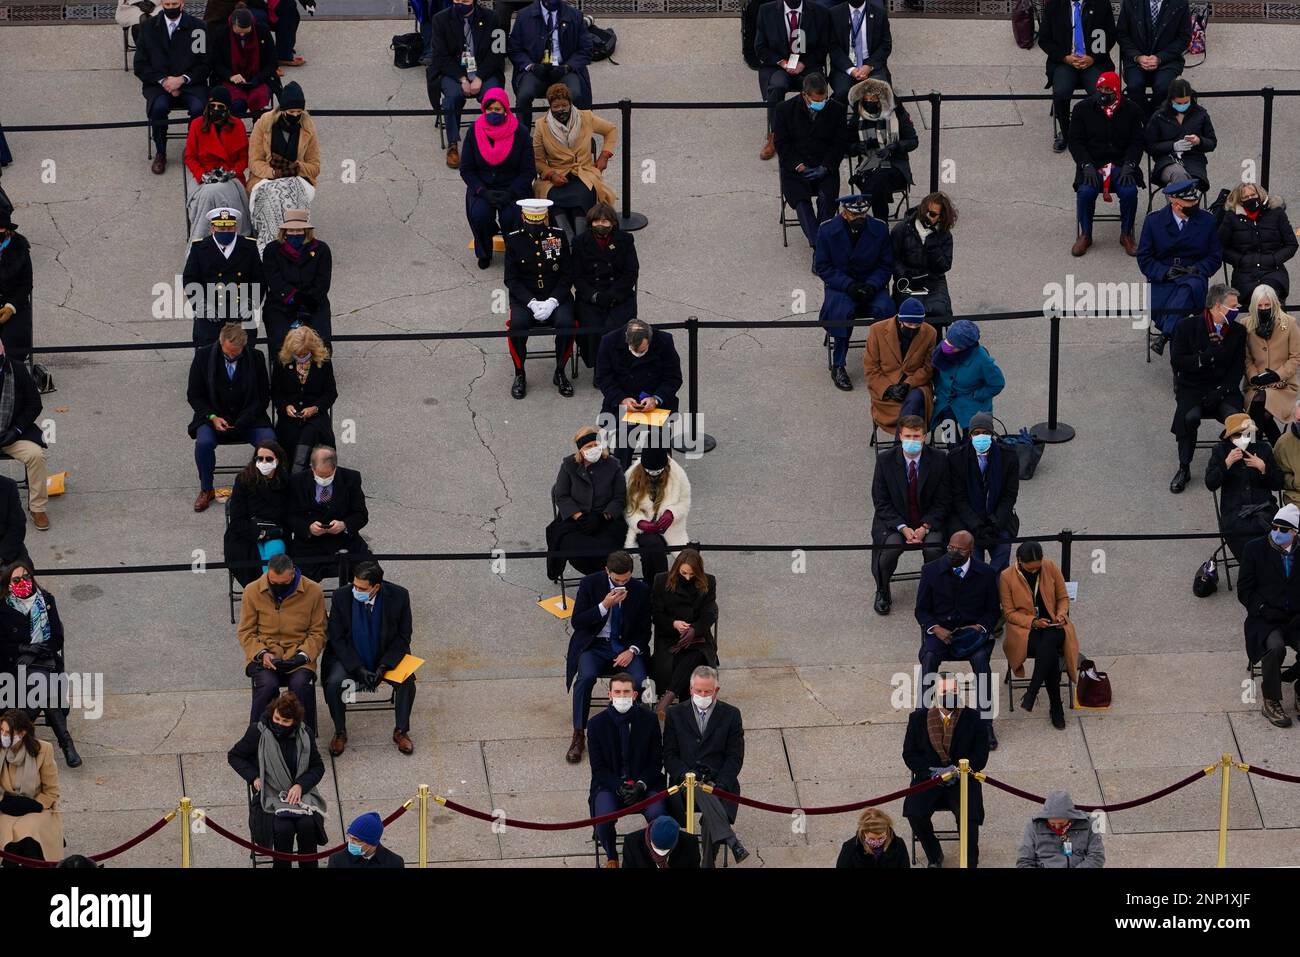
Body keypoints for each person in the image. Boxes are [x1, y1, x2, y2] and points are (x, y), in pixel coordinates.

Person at [915, 530, 1002, 748]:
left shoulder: (986, 573)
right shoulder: (931, 571)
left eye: (959, 549)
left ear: (970, 551)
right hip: (941, 632)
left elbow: (993, 611)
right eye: (950, 547)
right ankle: (921, 720)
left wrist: (980, 627)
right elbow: (921, 610)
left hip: (971, 635)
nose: (953, 552)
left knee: (982, 663)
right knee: (929, 659)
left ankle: (985, 724)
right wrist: (935, 628)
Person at [563, 551, 651, 763]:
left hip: (624, 646)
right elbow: (578, 622)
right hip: (594, 645)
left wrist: (631, 650)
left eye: (626, 579)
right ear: (607, 571)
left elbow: (644, 630)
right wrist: (604, 606)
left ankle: (626, 728)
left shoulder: (640, 590)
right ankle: (578, 733)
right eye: (617, 580)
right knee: (585, 679)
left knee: (638, 681)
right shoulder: (590, 584)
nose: (622, 584)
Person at [323, 561, 416, 757]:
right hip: (351, 656)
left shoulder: (399, 596)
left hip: (385, 655)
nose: (356, 590)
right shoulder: (342, 597)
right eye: (355, 585)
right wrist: (357, 668)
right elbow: (337, 638)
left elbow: (403, 636)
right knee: (333, 683)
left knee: (407, 681)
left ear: (376, 587)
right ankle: (340, 731)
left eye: (362, 588)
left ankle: (401, 731)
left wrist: (384, 666)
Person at [227, 690, 327, 868]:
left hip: (301, 796)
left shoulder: (305, 734)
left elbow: (317, 766)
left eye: (285, 721)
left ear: (294, 722)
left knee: (307, 825)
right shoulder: (257, 732)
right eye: (277, 718)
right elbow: (235, 756)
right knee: (284, 828)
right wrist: (254, 777)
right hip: (269, 796)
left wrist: (300, 786)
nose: (279, 724)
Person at [662, 666, 749, 866]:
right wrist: (685, 774)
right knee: (700, 789)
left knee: (711, 810)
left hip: (720, 785)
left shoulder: (731, 715)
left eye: (707, 691)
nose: (703, 695)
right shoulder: (675, 714)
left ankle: (707, 863)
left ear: (716, 691)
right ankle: (730, 841)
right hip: (684, 785)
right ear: (691, 690)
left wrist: (720, 784)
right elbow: (669, 755)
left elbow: (735, 757)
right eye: (699, 691)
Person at [902, 671, 988, 867]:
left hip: (962, 778)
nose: (951, 693)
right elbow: (910, 754)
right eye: (945, 690)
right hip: (929, 779)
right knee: (914, 812)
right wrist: (931, 772)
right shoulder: (917, 719)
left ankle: (969, 862)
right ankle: (934, 855)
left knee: (969, 816)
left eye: (954, 689)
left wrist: (957, 771)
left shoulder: (974, 719)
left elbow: (980, 756)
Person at [186, 323, 275, 512]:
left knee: (269, 443)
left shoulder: (256, 357)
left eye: (237, 353)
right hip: (213, 418)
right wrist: (212, 417)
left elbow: (263, 396)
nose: (232, 356)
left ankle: (265, 489)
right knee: (203, 443)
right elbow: (194, 395)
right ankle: (206, 489)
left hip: (249, 419)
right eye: (228, 352)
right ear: (221, 342)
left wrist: (247, 417)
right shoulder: (203, 356)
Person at [0, 561, 79, 767]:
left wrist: (37, 651)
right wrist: (23, 650)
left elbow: (57, 638)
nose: (23, 582)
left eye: (26, 577)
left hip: (45, 664)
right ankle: (66, 745)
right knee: (44, 690)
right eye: (16, 579)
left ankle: (18, 741)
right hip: (12, 670)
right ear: (8, 584)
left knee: (41, 686)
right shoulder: (2, 608)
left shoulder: (46, 601)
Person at [1168, 284, 1246, 493]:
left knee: (1240, 421)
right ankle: (1184, 467)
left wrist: (1221, 391)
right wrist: (1204, 358)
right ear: (1217, 306)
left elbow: (1237, 369)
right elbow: (1177, 362)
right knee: (1189, 419)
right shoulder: (1187, 327)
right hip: (1192, 388)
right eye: (1233, 305)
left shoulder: (1238, 331)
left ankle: (1236, 462)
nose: (1237, 309)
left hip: (1222, 390)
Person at [815, 194, 895, 391]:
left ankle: (886, 361)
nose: (859, 218)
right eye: (853, 214)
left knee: (886, 310)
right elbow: (823, 267)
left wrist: (873, 285)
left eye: (863, 214)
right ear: (844, 212)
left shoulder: (879, 228)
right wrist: (848, 285)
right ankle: (838, 365)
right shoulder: (827, 230)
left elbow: (886, 264)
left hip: (870, 284)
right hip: (842, 286)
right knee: (842, 314)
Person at [586, 671, 667, 867]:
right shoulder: (595, 725)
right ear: (610, 695)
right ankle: (612, 856)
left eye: (626, 692)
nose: (622, 696)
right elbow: (598, 768)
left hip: (644, 784)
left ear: (634, 695)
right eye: (617, 692)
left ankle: (654, 855)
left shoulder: (649, 720)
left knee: (658, 816)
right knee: (603, 820)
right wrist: (619, 786)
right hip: (610, 785)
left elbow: (656, 761)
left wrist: (640, 785)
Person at [871, 414, 949, 615]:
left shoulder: (939, 460)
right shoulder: (885, 461)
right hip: (895, 521)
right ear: (900, 436)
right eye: (908, 436)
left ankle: (931, 591)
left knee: (934, 550)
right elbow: (881, 502)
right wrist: (903, 528)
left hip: (928, 520)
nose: (912, 441)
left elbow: (944, 500)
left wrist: (924, 528)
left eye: (916, 436)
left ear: (924, 437)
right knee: (890, 550)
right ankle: (882, 589)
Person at [238, 554, 325, 732]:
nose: (277, 587)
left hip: (299, 654)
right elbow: (246, 631)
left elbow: (319, 631)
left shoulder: (313, 591)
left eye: (283, 583)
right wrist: (262, 653)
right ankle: (258, 734)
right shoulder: (252, 590)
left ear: (293, 574)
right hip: (264, 655)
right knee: (267, 685)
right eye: (273, 582)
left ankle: (304, 735)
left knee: (300, 685)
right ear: (267, 574)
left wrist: (302, 656)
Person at [1000, 541, 1079, 730]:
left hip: (1053, 624)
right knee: (1049, 653)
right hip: (1026, 629)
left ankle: (1032, 692)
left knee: (1049, 644)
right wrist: (1032, 622)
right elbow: (1009, 613)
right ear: (1020, 561)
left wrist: (1061, 614)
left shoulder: (1050, 567)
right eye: (1031, 568)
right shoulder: (1007, 576)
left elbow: (1062, 597)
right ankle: (1055, 706)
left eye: (1038, 567)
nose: (1035, 571)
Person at [504, 198, 577, 400]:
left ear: (545, 217)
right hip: (526, 299)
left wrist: (553, 300)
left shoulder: (558, 236)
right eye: (531, 220)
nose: (535, 225)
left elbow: (567, 273)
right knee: (517, 325)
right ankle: (520, 373)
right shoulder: (514, 239)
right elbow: (511, 278)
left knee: (567, 323)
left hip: (556, 295)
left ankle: (560, 371)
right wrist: (531, 302)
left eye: (539, 220)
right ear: (523, 217)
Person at [1068, 71, 1144, 258]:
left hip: (1120, 164)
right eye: (1100, 88)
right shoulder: (1082, 109)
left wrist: (1130, 164)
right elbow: (1075, 142)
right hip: (1092, 165)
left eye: (1107, 89)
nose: (1102, 92)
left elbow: (1137, 142)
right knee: (1085, 192)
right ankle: (1085, 234)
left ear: (1116, 90)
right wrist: (1085, 165)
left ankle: (1126, 234)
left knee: (1129, 192)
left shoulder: (1132, 110)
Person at [1139, 180, 1223, 348]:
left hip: (1194, 275)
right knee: (1172, 309)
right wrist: (1164, 272)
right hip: (1164, 278)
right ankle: (1173, 335)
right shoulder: (1154, 221)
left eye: (1195, 201)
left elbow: (1215, 256)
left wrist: (1198, 269)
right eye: (1189, 202)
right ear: (1175, 203)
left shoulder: (1206, 220)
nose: (1194, 205)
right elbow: (1144, 257)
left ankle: (1166, 335)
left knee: (1188, 288)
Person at [1238, 503, 1300, 727]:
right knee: (1275, 648)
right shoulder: (1254, 549)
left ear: (1295, 532)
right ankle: (1271, 700)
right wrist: (1263, 608)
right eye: (1275, 527)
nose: (1278, 533)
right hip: (1265, 618)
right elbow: (1245, 589)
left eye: (1284, 530)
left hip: (1295, 618)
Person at [460, 88, 536, 269]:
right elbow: (467, 169)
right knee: (480, 215)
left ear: (506, 110)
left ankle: (514, 254)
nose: (493, 113)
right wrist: (482, 191)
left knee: (513, 216)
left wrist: (511, 192)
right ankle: (484, 252)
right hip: (484, 187)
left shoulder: (521, 132)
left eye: (498, 109)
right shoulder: (474, 131)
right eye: (489, 109)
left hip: (512, 187)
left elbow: (528, 171)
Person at [133, 0, 210, 175]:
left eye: (174, 3)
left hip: (191, 84)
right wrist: (165, 81)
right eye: (167, 4)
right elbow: (140, 65)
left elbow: (204, 64)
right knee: (158, 108)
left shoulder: (198, 28)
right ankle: (161, 152)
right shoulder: (148, 28)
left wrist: (182, 79)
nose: (170, 7)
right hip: (159, 85)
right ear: (162, 4)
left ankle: (193, 150)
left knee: (199, 109)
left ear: (182, 3)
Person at [427, 0, 507, 169]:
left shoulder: (493, 18)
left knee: (494, 96)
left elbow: (498, 53)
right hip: (453, 72)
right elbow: (440, 57)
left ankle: (494, 139)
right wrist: (462, 78)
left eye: (465, 0)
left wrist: (479, 77)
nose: (461, 3)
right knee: (452, 98)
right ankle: (453, 144)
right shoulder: (440, 20)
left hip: (484, 71)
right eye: (457, 0)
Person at [532, 84, 616, 240]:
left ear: (570, 103)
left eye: (564, 105)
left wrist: (604, 155)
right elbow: (538, 160)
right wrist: (551, 174)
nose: (561, 109)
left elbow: (610, 130)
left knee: (582, 199)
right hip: (556, 177)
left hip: (584, 172)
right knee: (553, 202)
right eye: (556, 106)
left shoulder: (586, 117)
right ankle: (567, 241)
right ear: (550, 106)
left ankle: (581, 240)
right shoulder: (541, 126)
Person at [595, 320, 683, 467]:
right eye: (633, 350)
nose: (637, 354)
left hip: (655, 404)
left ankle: (657, 474)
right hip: (623, 402)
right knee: (625, 433)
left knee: (658, 436)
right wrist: (622, 399)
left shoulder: (664, 341)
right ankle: (620, 476)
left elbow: (673, 378)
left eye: (642, 351)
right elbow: (603, 378)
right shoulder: (609, 341)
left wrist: (656, 399)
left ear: (649, 340)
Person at [774, 72, 847, 249]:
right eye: (817, 99)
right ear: (804, 95)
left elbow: (839, 143)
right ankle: (819, 245)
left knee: (826, 198)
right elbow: (782, 144)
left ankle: (819, 245)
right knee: (801, 200)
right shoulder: (785, 110)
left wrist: (826, 166)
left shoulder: (836, 109)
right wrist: (798, 165)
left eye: (824, 99)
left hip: (824, 167)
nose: (821, 103)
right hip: (796, 169)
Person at [545, 426, 627, 581]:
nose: (594, 449)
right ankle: (597, 579)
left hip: (606, 520)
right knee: (573, 547)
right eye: (589, 446)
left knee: (607, 548)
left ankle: (604, 577)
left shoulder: (613, 464)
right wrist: (579, 516)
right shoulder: (569, 465)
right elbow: (561, 496)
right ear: (580, 450)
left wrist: (603, 516)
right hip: (575, 520)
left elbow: (619, 497)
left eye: (596, 445)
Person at [753, 0, 832, 160]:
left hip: (807, 65)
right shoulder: (766, 11)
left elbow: (824, 46)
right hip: (778, 66)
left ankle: (817, 134)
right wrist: (782, 62)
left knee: (815, 86)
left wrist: (804, 63)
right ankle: (774, 135)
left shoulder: (819, 12)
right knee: (777, 85)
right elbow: (760, 47)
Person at [247, 84, 319, 251]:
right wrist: (274, 172)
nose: (295, 116)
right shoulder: (263, 124)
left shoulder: (308, 127)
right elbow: (255, 161)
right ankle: (273, 247)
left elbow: (315, 167)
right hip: (266, 178)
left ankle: (293, 243)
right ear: (282, 109)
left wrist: (296, 168)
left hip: (298, 178)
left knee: (287, 191)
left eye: (298, 112)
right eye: (291, 112)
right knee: (273, 195)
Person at [1039, 0, 1116, 152]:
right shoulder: (1054, 5)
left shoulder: (1101, 4)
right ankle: (1066, 133)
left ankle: (1094, 132)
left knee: (1100, 92)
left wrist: (1093, 57)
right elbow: (1044, 39)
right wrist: (1064, 57)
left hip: (1093, 61)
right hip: (1065, 62)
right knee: (1061, 92)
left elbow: (1110, 36)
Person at [651, 548, 718, 719]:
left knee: (696, 657)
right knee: (687, 665)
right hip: (669, 637)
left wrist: (694, 629)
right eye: (684, 573)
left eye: (692, 574)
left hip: (698, 638)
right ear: (677, 568)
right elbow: (656, 613)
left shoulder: (708, 581)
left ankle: (668, 700)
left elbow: (709, 613)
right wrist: (673, 623)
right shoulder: (661, 580)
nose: (688, 577)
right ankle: (685, 713)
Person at [1206, 413, 1283, 562]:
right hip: (1235, 511)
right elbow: (1211, 483)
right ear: (1230, 436)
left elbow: (1278, 483)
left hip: (1264, 507)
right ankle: (1253, 569)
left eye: (1247, 434)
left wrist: (1263, 468)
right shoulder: (1220, 450)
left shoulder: (1263, 449)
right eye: (1238, 435)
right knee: (1241, 536)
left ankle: (1266, 569)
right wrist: (1226, 464)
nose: (1243, 438)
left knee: (1274, 532)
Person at [287, 446, 370, 584]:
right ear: (312, 467)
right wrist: (308, 528)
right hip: (309, 544)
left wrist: (344, 525)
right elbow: (290, 516)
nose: (324, 479)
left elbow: (361, 514)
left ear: (335, 468)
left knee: (370, 572)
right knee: (294, 580)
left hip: (343, 540)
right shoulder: (297, 481)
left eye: (329, 475)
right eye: (320, 475)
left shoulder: (351, 478)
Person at [182, 208, 264, 346]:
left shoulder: (248, 247)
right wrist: (201, 303)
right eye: (221, 228)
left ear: (235, 227)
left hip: (240, 311)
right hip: (211, 312)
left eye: (229, 228)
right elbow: (190, 279)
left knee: (245, 352)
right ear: (213, 228)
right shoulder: (200, 247)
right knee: (208, 354)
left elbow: (259, 279)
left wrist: (250, 302)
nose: (225, 231)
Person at [948, 412, 1018, 573]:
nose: (981, 437)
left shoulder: (1008, 457)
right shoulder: (956, 458)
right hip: (968, 521)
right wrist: (976, 525)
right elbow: (958, 498)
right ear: (970, 435)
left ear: (992, 434)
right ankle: (983, 586)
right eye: (976, 433)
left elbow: (1009, 495)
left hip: (998, 520)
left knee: (1002, 553)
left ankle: (991, 588)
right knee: (973, 559)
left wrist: (995, 523)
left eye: (986, 433)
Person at [507, 0, 593, 128]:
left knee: (575, 94)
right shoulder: (524, 15)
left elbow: (586, 49)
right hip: (535, 70)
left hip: (564, 69)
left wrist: (568, 67)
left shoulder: (575, 15)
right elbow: (514, 49)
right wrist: (531, 66)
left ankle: (572, 133)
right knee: (524, 95)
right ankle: (523, 136)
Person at [573, 202, 639, 369]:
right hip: (591, 297)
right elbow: (576, 276)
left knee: (615, 327)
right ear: (591, 223)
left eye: (604, 221)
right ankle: (599, 367)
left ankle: (616, 365)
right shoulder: (580, 242)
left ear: (612, 223)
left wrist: (613, 295)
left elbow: (631, 272)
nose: (600, 225)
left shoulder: (625, 240)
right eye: (596, 221)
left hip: (619, 295)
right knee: (593, 327)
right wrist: (595, 296)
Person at [182, 89, 252, 245]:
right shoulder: (196, 124)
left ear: (227, 108)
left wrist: (232, 172)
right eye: (212, 105)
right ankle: (206, 240)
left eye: (220, 107)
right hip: (204, 176)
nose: (215, 110)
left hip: (231, 177)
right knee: (209, 192)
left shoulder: (238, 125)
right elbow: (190, 156)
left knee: (212, 192)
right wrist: (203, 175)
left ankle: (201, 238)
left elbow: (243, 158)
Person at [261, 208, 332, 361]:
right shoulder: (272, 250)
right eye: (290, 230)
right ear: (284, 231)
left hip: (314, 303)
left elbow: (322, 283)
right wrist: (294, 298)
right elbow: (274, 280)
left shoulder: (321, 250)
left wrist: (306, 302)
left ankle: (320, 375)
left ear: (306, 231)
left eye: (298, 230)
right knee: (280, 341)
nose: (294, 234)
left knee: (321, 341)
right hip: (281, 304)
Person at [846, 78, 917, 221]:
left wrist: (895, 146)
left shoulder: (898, 114)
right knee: (877, 184)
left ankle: (859, 213)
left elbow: (913, 141)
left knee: (878, 179)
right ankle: (880, 224)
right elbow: (846, 146)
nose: (869, 102)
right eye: (866, 98)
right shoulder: (858, 116)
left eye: (873, 99)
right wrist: (859, 147)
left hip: (895, 166)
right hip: (868, 167)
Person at [224, 439, 291, 587]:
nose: (264, 462)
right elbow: (237, 519)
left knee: (276, 554)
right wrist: (260, 534)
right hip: (245, 533)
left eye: (269, 459)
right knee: (253, 558)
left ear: (278, 460)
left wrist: (272, 532)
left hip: (275, 532)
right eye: (259, 458)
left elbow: (287, 514)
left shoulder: (285, 481)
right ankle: (261, 593)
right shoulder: (244, 480)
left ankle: (271, 590)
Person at [1219, 181, 1298, 305]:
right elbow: (1221, 247)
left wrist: (1274, 259)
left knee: (1270, 297)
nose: (1250, 199)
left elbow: (1291, 244)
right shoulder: (1231, 218)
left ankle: (1280, 324)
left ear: (1260, 195)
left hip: (1273, 271)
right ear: (1239, 200)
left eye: (1253, 195)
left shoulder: (1276, 213)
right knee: (1256, 298)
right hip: (1244, 274)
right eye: (1245, 197)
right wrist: (1240, 260)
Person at [271, 325, 337, 472]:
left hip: (316, 415)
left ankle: (298, 468)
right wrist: (285, 407)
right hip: (290, 416)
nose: (301, 358)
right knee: (292, 434)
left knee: (310, 431)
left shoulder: (323, 363)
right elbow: (275, 393)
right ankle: (298, 469)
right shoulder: (282, 362)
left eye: (304, 354)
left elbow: (331, 393)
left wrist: (315, 408)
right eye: (297, 354)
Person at [0, 710, 62, 865]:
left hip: (36, 808)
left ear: (22, 733)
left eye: (8, 733)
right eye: (2, 731)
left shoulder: (43, 750)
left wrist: (35, 804)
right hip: (4, 808)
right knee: (9, 834)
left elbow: (51, 791)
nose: (4, 735)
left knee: (29, 832)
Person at [864, 297, 936, 429]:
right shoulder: (877, 330)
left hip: (915, 384)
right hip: (885, 389)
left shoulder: (930, 332)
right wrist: (888, 389)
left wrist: (909, 384)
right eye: (909, 324)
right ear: (900, 320)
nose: (913, 328)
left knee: (915, 400)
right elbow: (871, 368)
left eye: (917, 325)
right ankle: (906, 444)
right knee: (915, 413)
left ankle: (899, 446)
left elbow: (928, 367)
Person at [623, 447, 691, 586]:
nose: (654, 475)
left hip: (671, 527)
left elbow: (685, 502)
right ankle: (660, 584)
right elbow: (628, 507)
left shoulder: (677, 474)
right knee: (652, 546)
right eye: (649, 472)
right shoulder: (631, 475)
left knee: (688, 558)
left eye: (658, 472)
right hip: (644, 528)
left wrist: (671, 513)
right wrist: (640, 522)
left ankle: (657, 585)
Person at [1242, 285, 1300, 445]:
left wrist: (1276, 375)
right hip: (1256, 386)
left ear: (1274, 304)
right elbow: (1246, 359)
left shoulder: (1289, 323)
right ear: (1254, 306)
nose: (1263, 308)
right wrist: (1254, 377)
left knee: (1260, 408)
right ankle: (1276, 452)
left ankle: (1253, 448)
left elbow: (1296, 357)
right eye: (1259, 306)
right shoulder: (1246, 324)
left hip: (1283, 386)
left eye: (1267, 305)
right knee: (1261, 405)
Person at [930, 319, 1005, 436]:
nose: (947, 345)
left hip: (971, 404)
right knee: (951, 439)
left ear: (964, 347)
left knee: (970, 441)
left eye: (952, 344)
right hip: (946, 402)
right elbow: (936, 374)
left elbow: (997, 384)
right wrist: (939, 392)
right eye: (947, 340)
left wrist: (978, 395)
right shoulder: (941, 350)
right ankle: (954, 451)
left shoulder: (982, 360)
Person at [1115, 0, 1188, 115]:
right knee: (1134, 86)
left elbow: (1184, 37)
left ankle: (1156, 120)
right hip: (1136, 60)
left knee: (1164, 87)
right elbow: (1122, 33)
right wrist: (1137, 57)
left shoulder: (1179, 3)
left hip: (1167, 60)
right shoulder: (1130, 2)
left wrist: (1160, 58)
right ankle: (1143, 120)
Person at [890, 192, 956, 320]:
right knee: (909, 312)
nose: (926, 216)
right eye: (924, 210)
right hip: (907, 280)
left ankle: (935, 338)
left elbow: (944, 266)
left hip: (933, 282)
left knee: (939, 313)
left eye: (932, 214)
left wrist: (933, 246)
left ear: (941, 217)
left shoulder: (944, 235)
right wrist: (904, 275)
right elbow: (892, 258)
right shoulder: (902, 229)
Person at [1145, 78, 1215, 191]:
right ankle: (1184, 206)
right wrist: (1173, 146)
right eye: (1178, 103)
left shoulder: (1200, 114)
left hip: (1194, 161)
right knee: (1179, 175)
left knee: (1189, 180)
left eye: (1186, 102)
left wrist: (1199, 141)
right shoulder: (1159, 116)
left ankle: (1178, 205)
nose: (1183, 105)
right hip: (1167, 161)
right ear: (1171, 100)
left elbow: (1212, 143)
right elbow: (1149, 146)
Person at [210, 4, 276, 118]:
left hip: (258, 79)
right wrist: (231, 76)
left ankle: (258, 132)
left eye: (246, 32)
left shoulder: (263, 32)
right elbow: (216, 64)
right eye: (239, 32)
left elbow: (272, 63)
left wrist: (258, 79)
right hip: (230, 81)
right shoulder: (221, 34)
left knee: (258, 99)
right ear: (232, 25)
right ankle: (233, 132)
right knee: (237, 103)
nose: (242, 35)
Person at [1016, 790, 1105, 868]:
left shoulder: (1089, 824)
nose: (1057, 827)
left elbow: (1097, 857)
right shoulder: (1034, 827)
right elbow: (1024, 862)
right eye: (1052, 823)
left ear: (1071, 817)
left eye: (1062, 823)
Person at [827, 0, 891, 102]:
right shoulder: (834, 13)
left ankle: (870, 116)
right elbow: (832, 46)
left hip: (872, 65)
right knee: (842, 92)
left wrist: (869, 66)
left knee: (876, 92)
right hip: (845, 67)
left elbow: (885, 45)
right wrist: (851, 69)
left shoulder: (879, 13)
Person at [0, 212, 34, 364]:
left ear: (7, 230)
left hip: (14, 305)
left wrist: (10, 307)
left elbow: (26, 284)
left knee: (13, 344)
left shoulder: (19, 248)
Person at [835, 806, 909, 868]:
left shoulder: (898, 845)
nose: (876, 842)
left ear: (887, 831)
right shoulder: (850, 848)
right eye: (872, 839)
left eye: (880, 838)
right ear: (863, 833)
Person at [620, 815, 701, 869]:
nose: (661, 853)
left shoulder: (690, 843)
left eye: (666, 850)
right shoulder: (632, 843)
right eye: (656, 848)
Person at [327, 811, 405, 867]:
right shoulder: (337, 860)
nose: (350, 842)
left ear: (372, 842)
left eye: (356, 840)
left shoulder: (395, 863)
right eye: (349, 837)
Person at [0, 476, 29, 568]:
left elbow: (17, 525)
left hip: (5, 548)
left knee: (21, 576)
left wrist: (2, 557)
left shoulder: (8, 485)